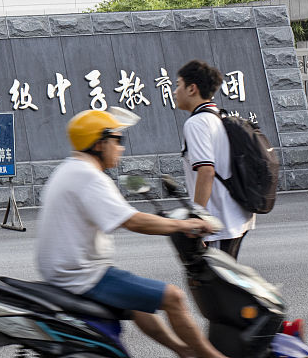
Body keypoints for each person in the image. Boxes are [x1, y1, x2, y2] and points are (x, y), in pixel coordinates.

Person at [37, 109, 227, 358]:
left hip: (64, 271)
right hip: (83, 276)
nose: (121, 148)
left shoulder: (68, 169)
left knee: (140, 304)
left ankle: (183, 351)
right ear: (98, 143)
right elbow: (134, 221)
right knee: (174, 297)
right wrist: (185, 225)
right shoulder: (89, 177)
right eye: (117, 140)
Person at [175, 60, 255, 258]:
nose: (175, 92)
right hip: (234, 215)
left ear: (192, 89)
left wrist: (197, 219)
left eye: (178, 85)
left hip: (218, 221)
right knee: (226, 274)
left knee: (217, 277)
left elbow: (206, 171)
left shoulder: (197, 123)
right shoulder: (218, 116)